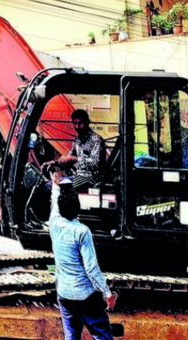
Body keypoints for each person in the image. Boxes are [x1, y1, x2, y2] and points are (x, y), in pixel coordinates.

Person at [51, 183, 117, 340]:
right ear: (77, 208)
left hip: (63, 293)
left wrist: (55, 183)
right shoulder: (82, 231)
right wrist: (107, 293)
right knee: (102, 335)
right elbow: (91, 268)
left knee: (71, 336)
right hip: (84, 295)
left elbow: (54, 203)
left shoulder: (54, 225)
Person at [55, 110, 106, 182]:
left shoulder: (96, 140)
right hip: (79, 177)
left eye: (80, 123)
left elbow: (96, 163)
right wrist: (56, 162)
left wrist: (74, 159)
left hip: (94, 179)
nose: (77, 127)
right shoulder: (77, 140)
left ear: (87, 123)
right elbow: (70, 157)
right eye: (74, 123)